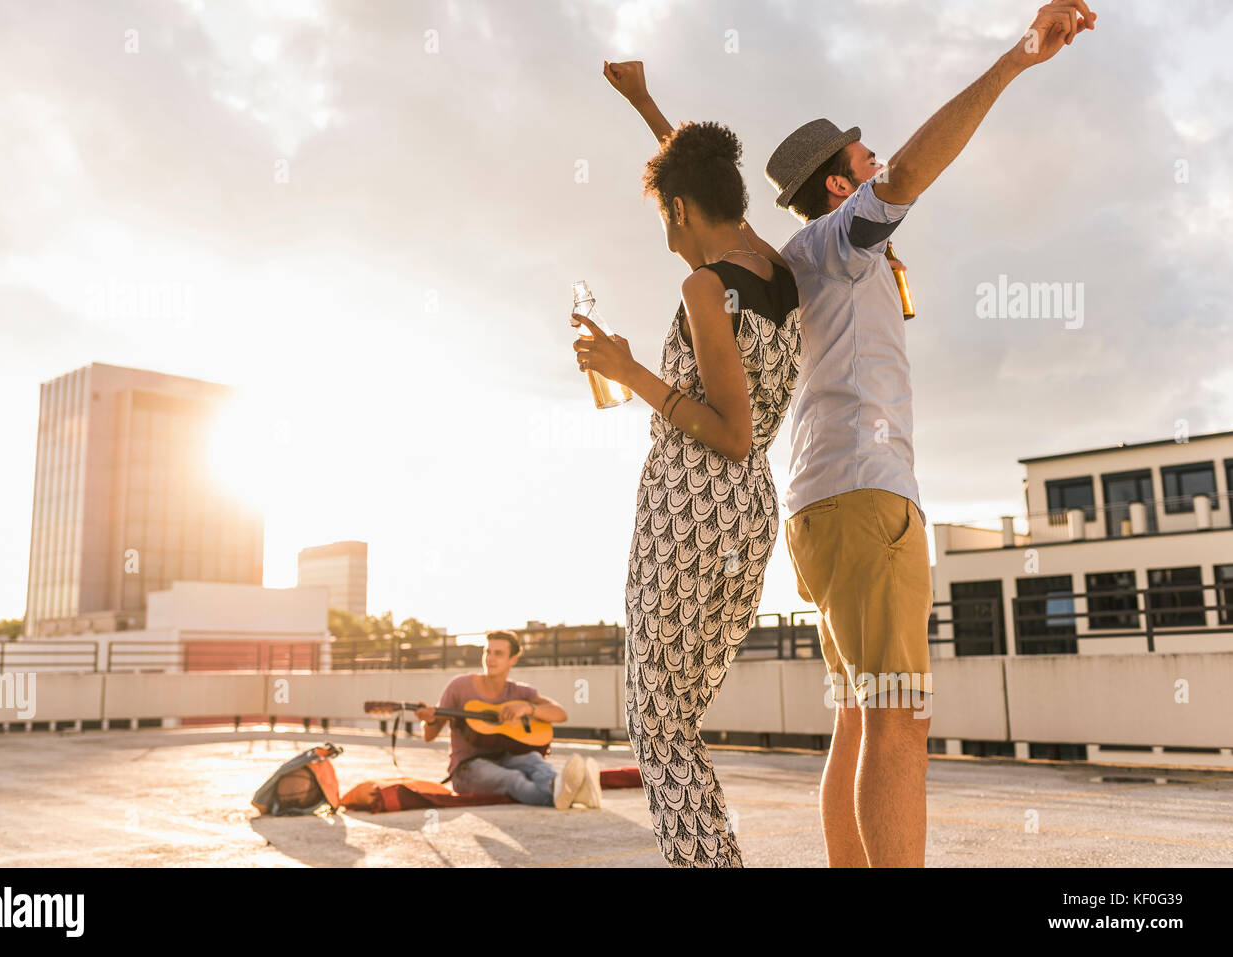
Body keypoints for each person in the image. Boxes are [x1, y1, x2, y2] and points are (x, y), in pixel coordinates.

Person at [751, 0, 1096, 867]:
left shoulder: (803, 259)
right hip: (870, 497)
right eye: (861, 160)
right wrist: (1018, 58)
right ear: (839, 185)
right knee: (901, 717)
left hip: (817, 505)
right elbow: (909, 169)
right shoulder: (842, 238)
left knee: (861, 714)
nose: (876, 164)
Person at [572, 63, 802, 866]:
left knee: (656, 719)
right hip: (750, 513)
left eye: (665, 215)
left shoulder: (705, 288)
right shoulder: (776, 269)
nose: (664, 232)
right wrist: (646, 107)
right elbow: (703, 181)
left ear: (676, 210)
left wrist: (630, 369)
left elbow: (729, 432)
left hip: (692, 507)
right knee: (677, 717)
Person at [415, 630, 601, 810]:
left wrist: (527, 708)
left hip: (506, 758)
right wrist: (429, 720)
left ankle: (570, 791)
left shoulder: (519, 692)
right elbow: (429, 736)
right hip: (468, 769)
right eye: (487, 652)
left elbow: (560, 714)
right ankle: (569, 795)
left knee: (534, 760)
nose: (490, 658)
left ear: (513, 659)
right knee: (512, 778)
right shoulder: (459, 686)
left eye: (498, 653)